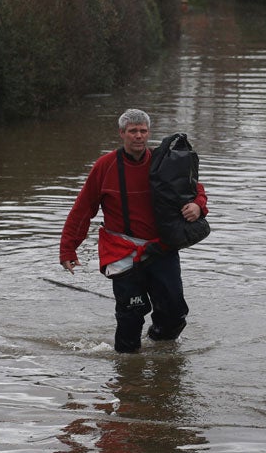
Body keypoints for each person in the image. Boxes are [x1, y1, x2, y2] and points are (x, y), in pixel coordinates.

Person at [59, 108, 208, 353]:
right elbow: (83, 209)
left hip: (162, 248)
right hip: (121, 253)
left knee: (174, 312)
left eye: (143, 131)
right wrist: (68, 248)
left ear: (148, 133)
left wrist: (198, 207)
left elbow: (195, 190)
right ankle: (127, 373)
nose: (138, 136)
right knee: (130, 314)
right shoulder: (104, 166)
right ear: (122, 134)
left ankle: (160, 349)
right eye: (132, 131)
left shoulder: (165, 161)